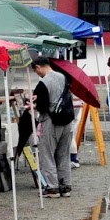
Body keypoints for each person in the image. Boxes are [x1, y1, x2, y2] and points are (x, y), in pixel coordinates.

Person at [31, 56, 74, 198]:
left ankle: (52, 188)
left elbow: (42, 107)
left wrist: (33, 105)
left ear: (38, 66)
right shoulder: (63, 77)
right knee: (63, 154)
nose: (37, 74)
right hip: (67, 121)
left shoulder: (43, 83)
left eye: (36, 71)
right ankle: (65, 186)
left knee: (47, 154)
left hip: (51, 122)